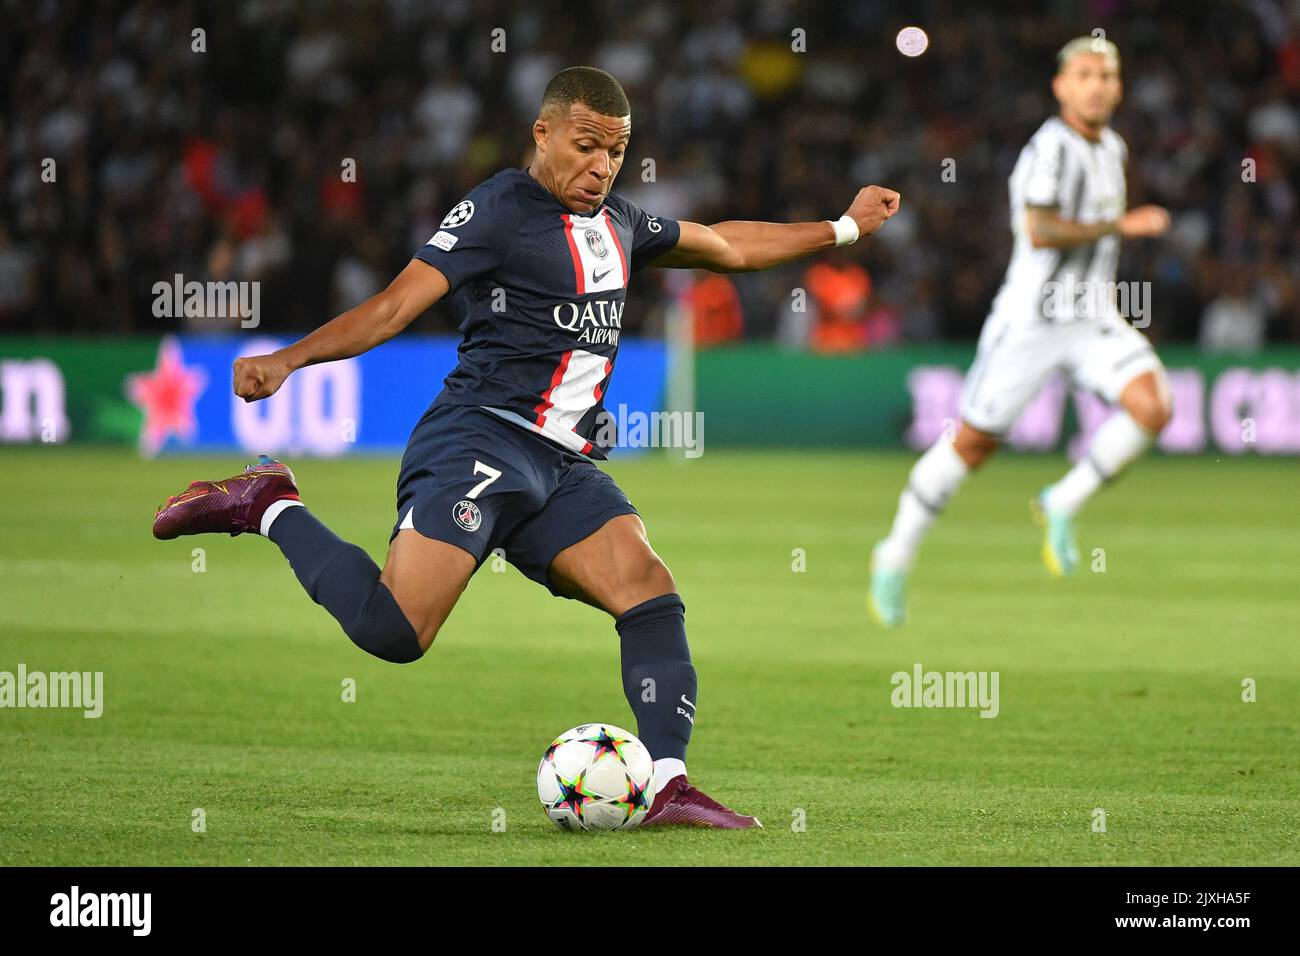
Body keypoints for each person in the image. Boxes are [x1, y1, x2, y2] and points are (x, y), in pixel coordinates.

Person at [153, 66, 900, 827]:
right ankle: (270, 503)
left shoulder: (622, 226)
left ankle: (666, 782)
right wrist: (288, 358)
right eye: (585, 147)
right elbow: (393, 306)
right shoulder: (497, 210)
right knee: (394, 632)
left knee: (649, 591)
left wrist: (841, 228)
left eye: (615, 152)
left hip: (563, 465)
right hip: (479, 435)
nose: (601, 167)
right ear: (541, 133)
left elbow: (726, 246)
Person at [870, 38, 1172, 628]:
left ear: (1118, 87)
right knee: (974, 446)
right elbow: (1040, 231)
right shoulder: (1049, 149)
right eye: (1084, 75)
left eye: (1107, 75)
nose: (1096, 85)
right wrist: (1121, 224)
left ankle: (1061, 501)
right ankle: (894, 554)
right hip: (1031, 322)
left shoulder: (1113, 146)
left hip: (1092, 317)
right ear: (1061, 87)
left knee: (1153, 406)